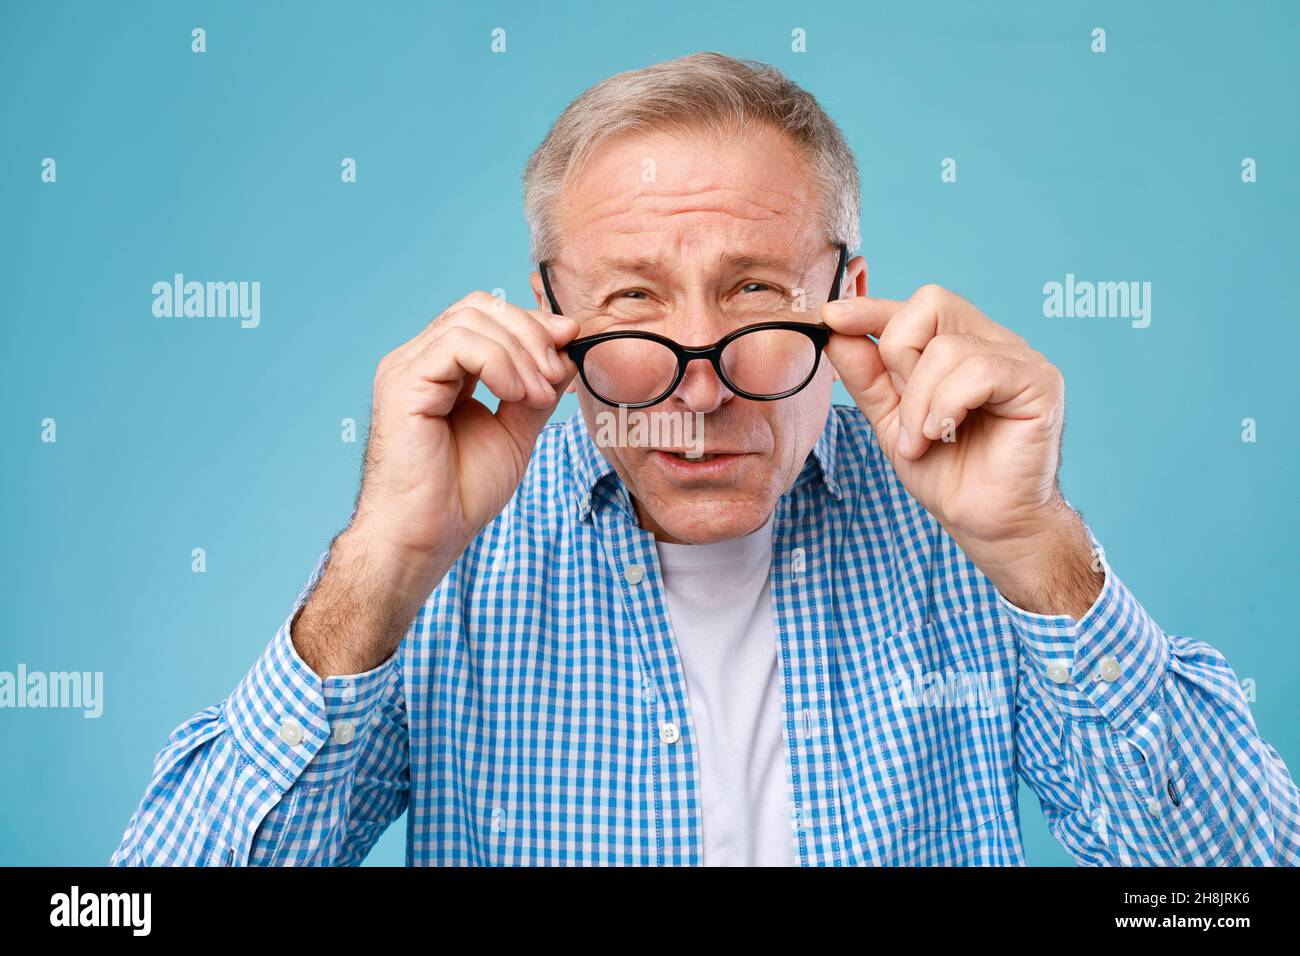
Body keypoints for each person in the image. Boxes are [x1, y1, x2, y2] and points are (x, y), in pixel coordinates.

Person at [112, 52, 1299, 866]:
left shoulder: (970, 531)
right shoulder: (447, 561)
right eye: (632, 303)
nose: (693, 375)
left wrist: (1040, 551)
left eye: (752, 295)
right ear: (548, 315)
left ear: (848, 302)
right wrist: (380, 558)